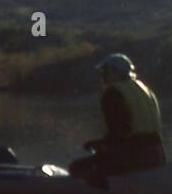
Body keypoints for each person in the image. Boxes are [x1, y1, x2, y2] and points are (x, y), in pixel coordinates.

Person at [70, 54, 165, 187]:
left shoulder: (113, 94)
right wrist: (102, 144)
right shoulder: (146, 90)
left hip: (136, 157)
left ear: (117, 73)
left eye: (106, 71)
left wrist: (102, 145)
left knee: (77, 167)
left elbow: (120, 132)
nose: (102, 76)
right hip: (157, 156)